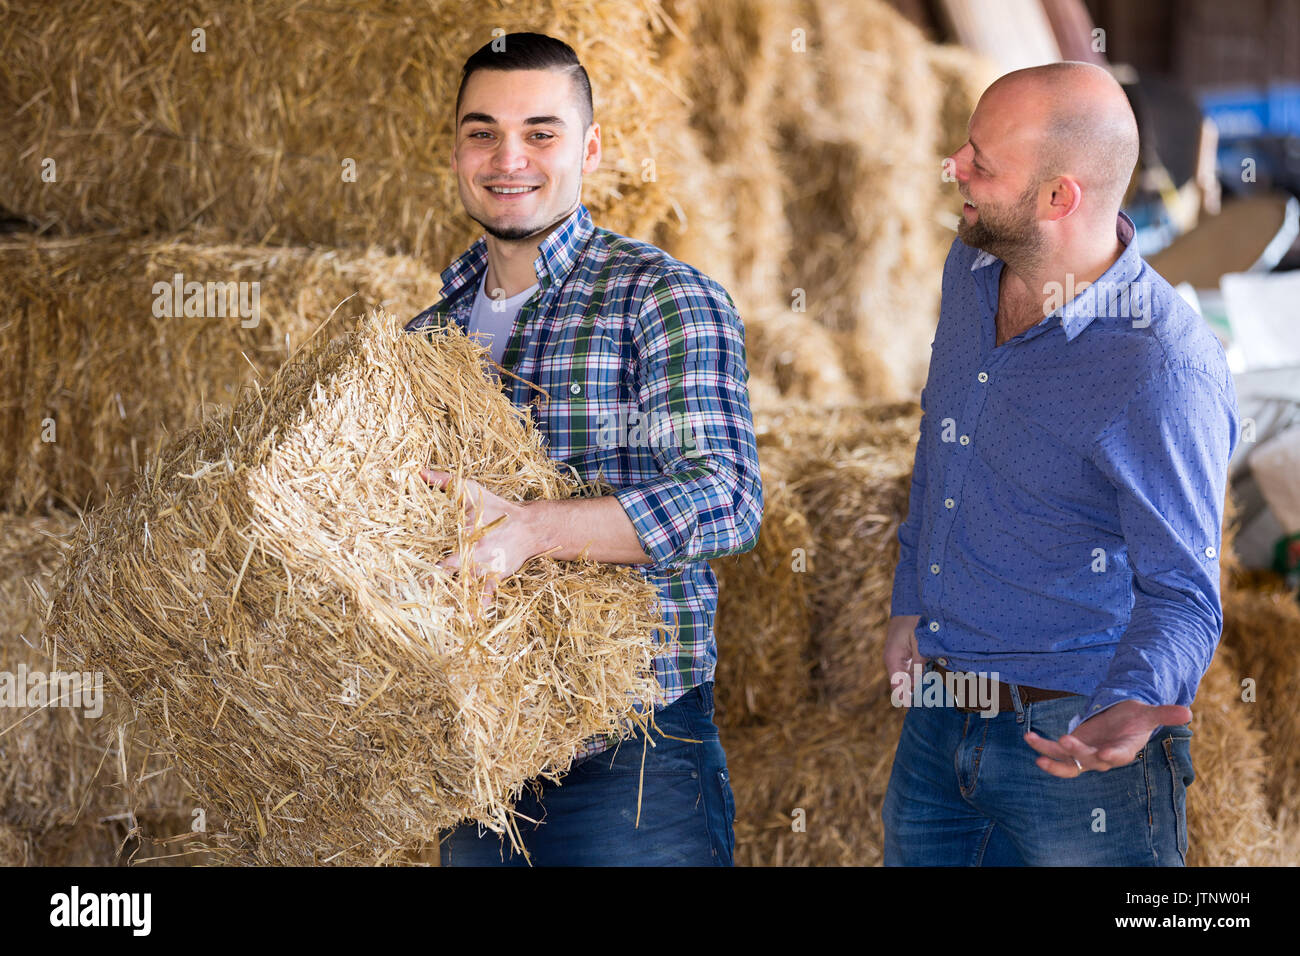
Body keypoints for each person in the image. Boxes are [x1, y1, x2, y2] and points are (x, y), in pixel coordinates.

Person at [405, 33, 762, 866]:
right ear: (456, 148)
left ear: (591, 148)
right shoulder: (426, 335)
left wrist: (531, 529)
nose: (509, 158)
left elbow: (727, 500)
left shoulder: (661, 296)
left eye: (541, 131)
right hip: (476, 758)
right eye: (482, 131)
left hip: (631, 755)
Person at [881, 61, 1239, 866]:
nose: (954, 167)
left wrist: (1137, 701)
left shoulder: (1159, 370)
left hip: (1071, 740)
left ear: (1058, 199)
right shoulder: (972, 267)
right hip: (940, 711)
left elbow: (1185, 592)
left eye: (981, 161)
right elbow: (945, 439)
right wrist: (912, 597)